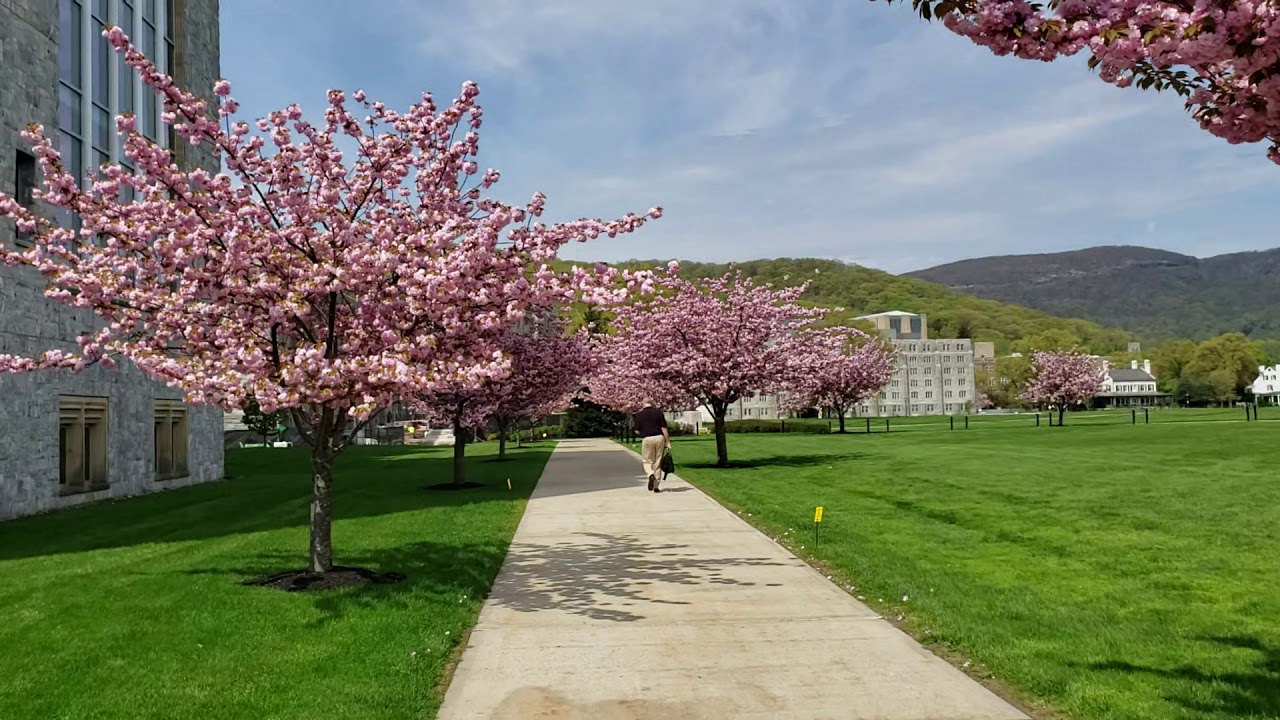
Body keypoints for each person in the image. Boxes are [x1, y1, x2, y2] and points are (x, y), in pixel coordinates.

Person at [633, 399, 670, 493]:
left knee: (647, 460)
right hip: (659, 438)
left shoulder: (639, 415)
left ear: (643, 404)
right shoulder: (658, 413)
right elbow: (664, 428)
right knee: (658, 461)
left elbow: (636, 430)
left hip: (647, 438)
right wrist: (668, 442)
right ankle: (656, 486)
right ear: (652, 403)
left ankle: (650, 474)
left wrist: (643, 431)